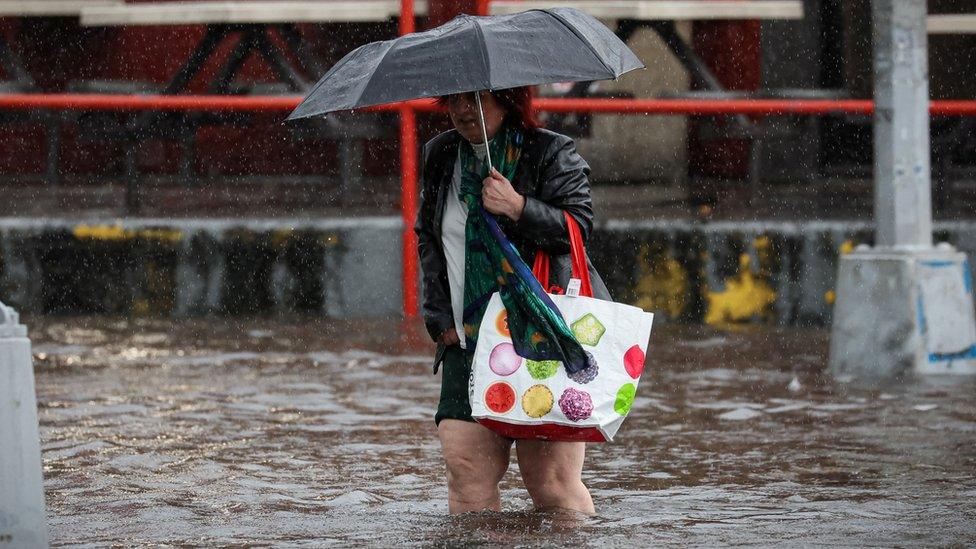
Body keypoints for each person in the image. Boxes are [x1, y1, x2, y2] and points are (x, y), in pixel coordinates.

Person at [414, 87, 612, 515]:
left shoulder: (550, 151)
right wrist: (438, 318)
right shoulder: (441, 154)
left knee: (551, 483)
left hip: (539, 337)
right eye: (454, 99)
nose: (463, 110)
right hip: (466, 340)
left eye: (476, 99)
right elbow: (428, 237)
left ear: (508, 100)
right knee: (467, 473)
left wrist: (519, 207)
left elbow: (576, 229)